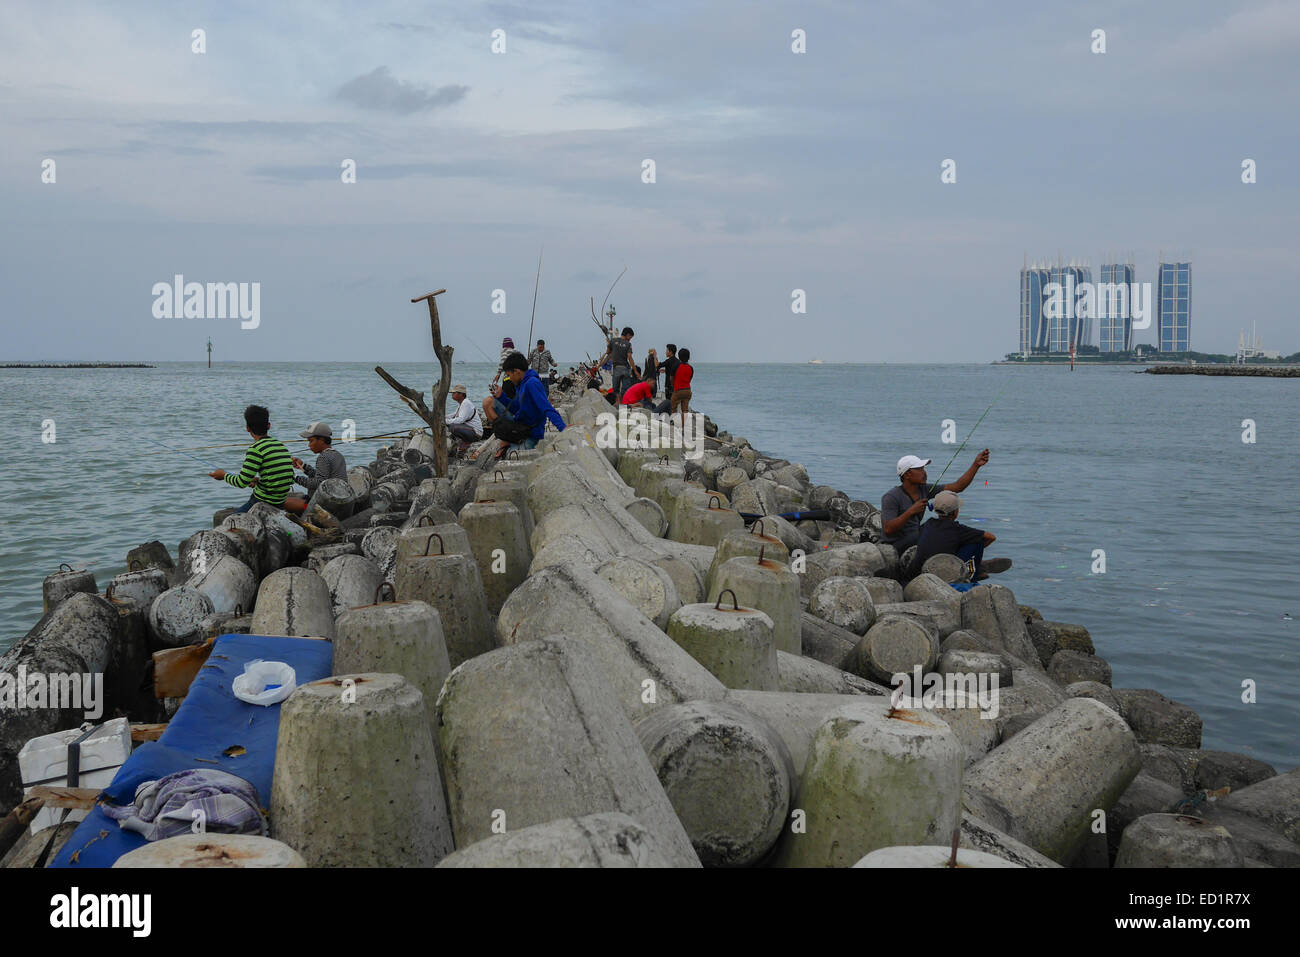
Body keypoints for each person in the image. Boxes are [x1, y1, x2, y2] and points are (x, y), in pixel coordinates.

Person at [880, 450, 990, 554]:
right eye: (920, 469)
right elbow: (888, 529)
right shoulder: (891, 497)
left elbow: (957, 487)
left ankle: (968, 561)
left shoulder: (924, 489)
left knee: (944, 530)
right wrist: (911, 511)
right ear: (908, 474)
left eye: (924, 469)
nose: (924, 473)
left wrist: (976, 465)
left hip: (916, 538)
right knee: (935, 531)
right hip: (896, 546)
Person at [906, 490, 1011, 581]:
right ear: (955, 512)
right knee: (977, 541)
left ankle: (975, 566)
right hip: (944, 572)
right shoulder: (958, 529)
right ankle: (973, 572)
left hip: (918, 572)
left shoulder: (928, 524)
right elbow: (991, 537)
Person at [208, 405, 295, 513]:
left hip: (262, 501)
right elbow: (289, 477)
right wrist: (259, 481)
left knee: (233, 520)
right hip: (280, 502)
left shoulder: (255, 449)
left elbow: (241, 482)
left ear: (247, 428)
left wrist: (223, 475)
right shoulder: (280, 445)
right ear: (268, 426)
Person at [494, 351, 565, 452]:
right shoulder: (521, 384)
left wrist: (563, 429)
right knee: (491, 402)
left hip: (530, 434)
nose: (509, 378)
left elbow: (547, 408)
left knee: (512, 454)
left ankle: (508, 441)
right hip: (521, 428)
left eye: (509, 375)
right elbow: (517, 408)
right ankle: (506, 439)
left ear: (517, 372)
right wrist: (501, 396)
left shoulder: (532, 383)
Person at [282, 422, 347, 514]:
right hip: (337, 502)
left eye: (311, 441)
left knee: (282, 503)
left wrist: (294, 477)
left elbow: (318, 483)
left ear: (321, 440)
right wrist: (303, 466)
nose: (309, 445)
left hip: (323, 506)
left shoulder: (323, 457)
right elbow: (322, 477)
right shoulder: (337, 455)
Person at [599, 327, 637, 399]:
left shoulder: (613, 341)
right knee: (625, 390)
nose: (630, 339)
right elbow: (630, 358)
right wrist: (635, 370)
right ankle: (623, 408)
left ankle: (617, 407)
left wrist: (609, 345)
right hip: (625, 369)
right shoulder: (628, 344)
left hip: (616, 369)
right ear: (628, 335)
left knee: (615, 390)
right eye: (630, 337)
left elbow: (607, 353)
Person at [446, 384, 483, 455]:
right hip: (470, 431)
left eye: (454, 393)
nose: (452, 395)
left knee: (453, 427)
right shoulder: (462, 403)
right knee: (450, 425)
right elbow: (454, 414)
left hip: (476, 433)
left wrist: (445, 421)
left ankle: (466, 442)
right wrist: (443, 417)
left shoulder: (466, 403)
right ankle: (462, 441)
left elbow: (460, 420)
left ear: (461, 394)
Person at [670, 347, 693, 419]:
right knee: (685, 410)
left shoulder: (676, 365)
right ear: (688, 357)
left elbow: (671, 378)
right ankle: (684, 425)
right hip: (688, 390)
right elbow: (690, 379)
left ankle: (673, 424)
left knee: (673, 408)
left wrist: (674, 386)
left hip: (678, 390)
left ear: (679, 357)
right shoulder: (690, 367)